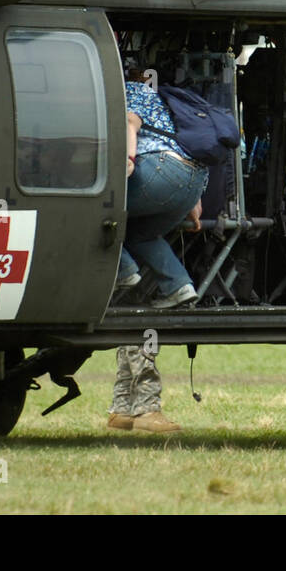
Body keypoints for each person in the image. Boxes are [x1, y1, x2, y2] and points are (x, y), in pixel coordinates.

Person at [107, 77, 209, 434]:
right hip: (188, 181)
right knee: (140, 233)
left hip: (155, 172)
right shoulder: (162, 100)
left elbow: (128, 126)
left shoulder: (125, 93)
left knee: (94, 207)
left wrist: (128, 160)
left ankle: (125, 270)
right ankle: (178, 285)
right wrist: (191, 204)